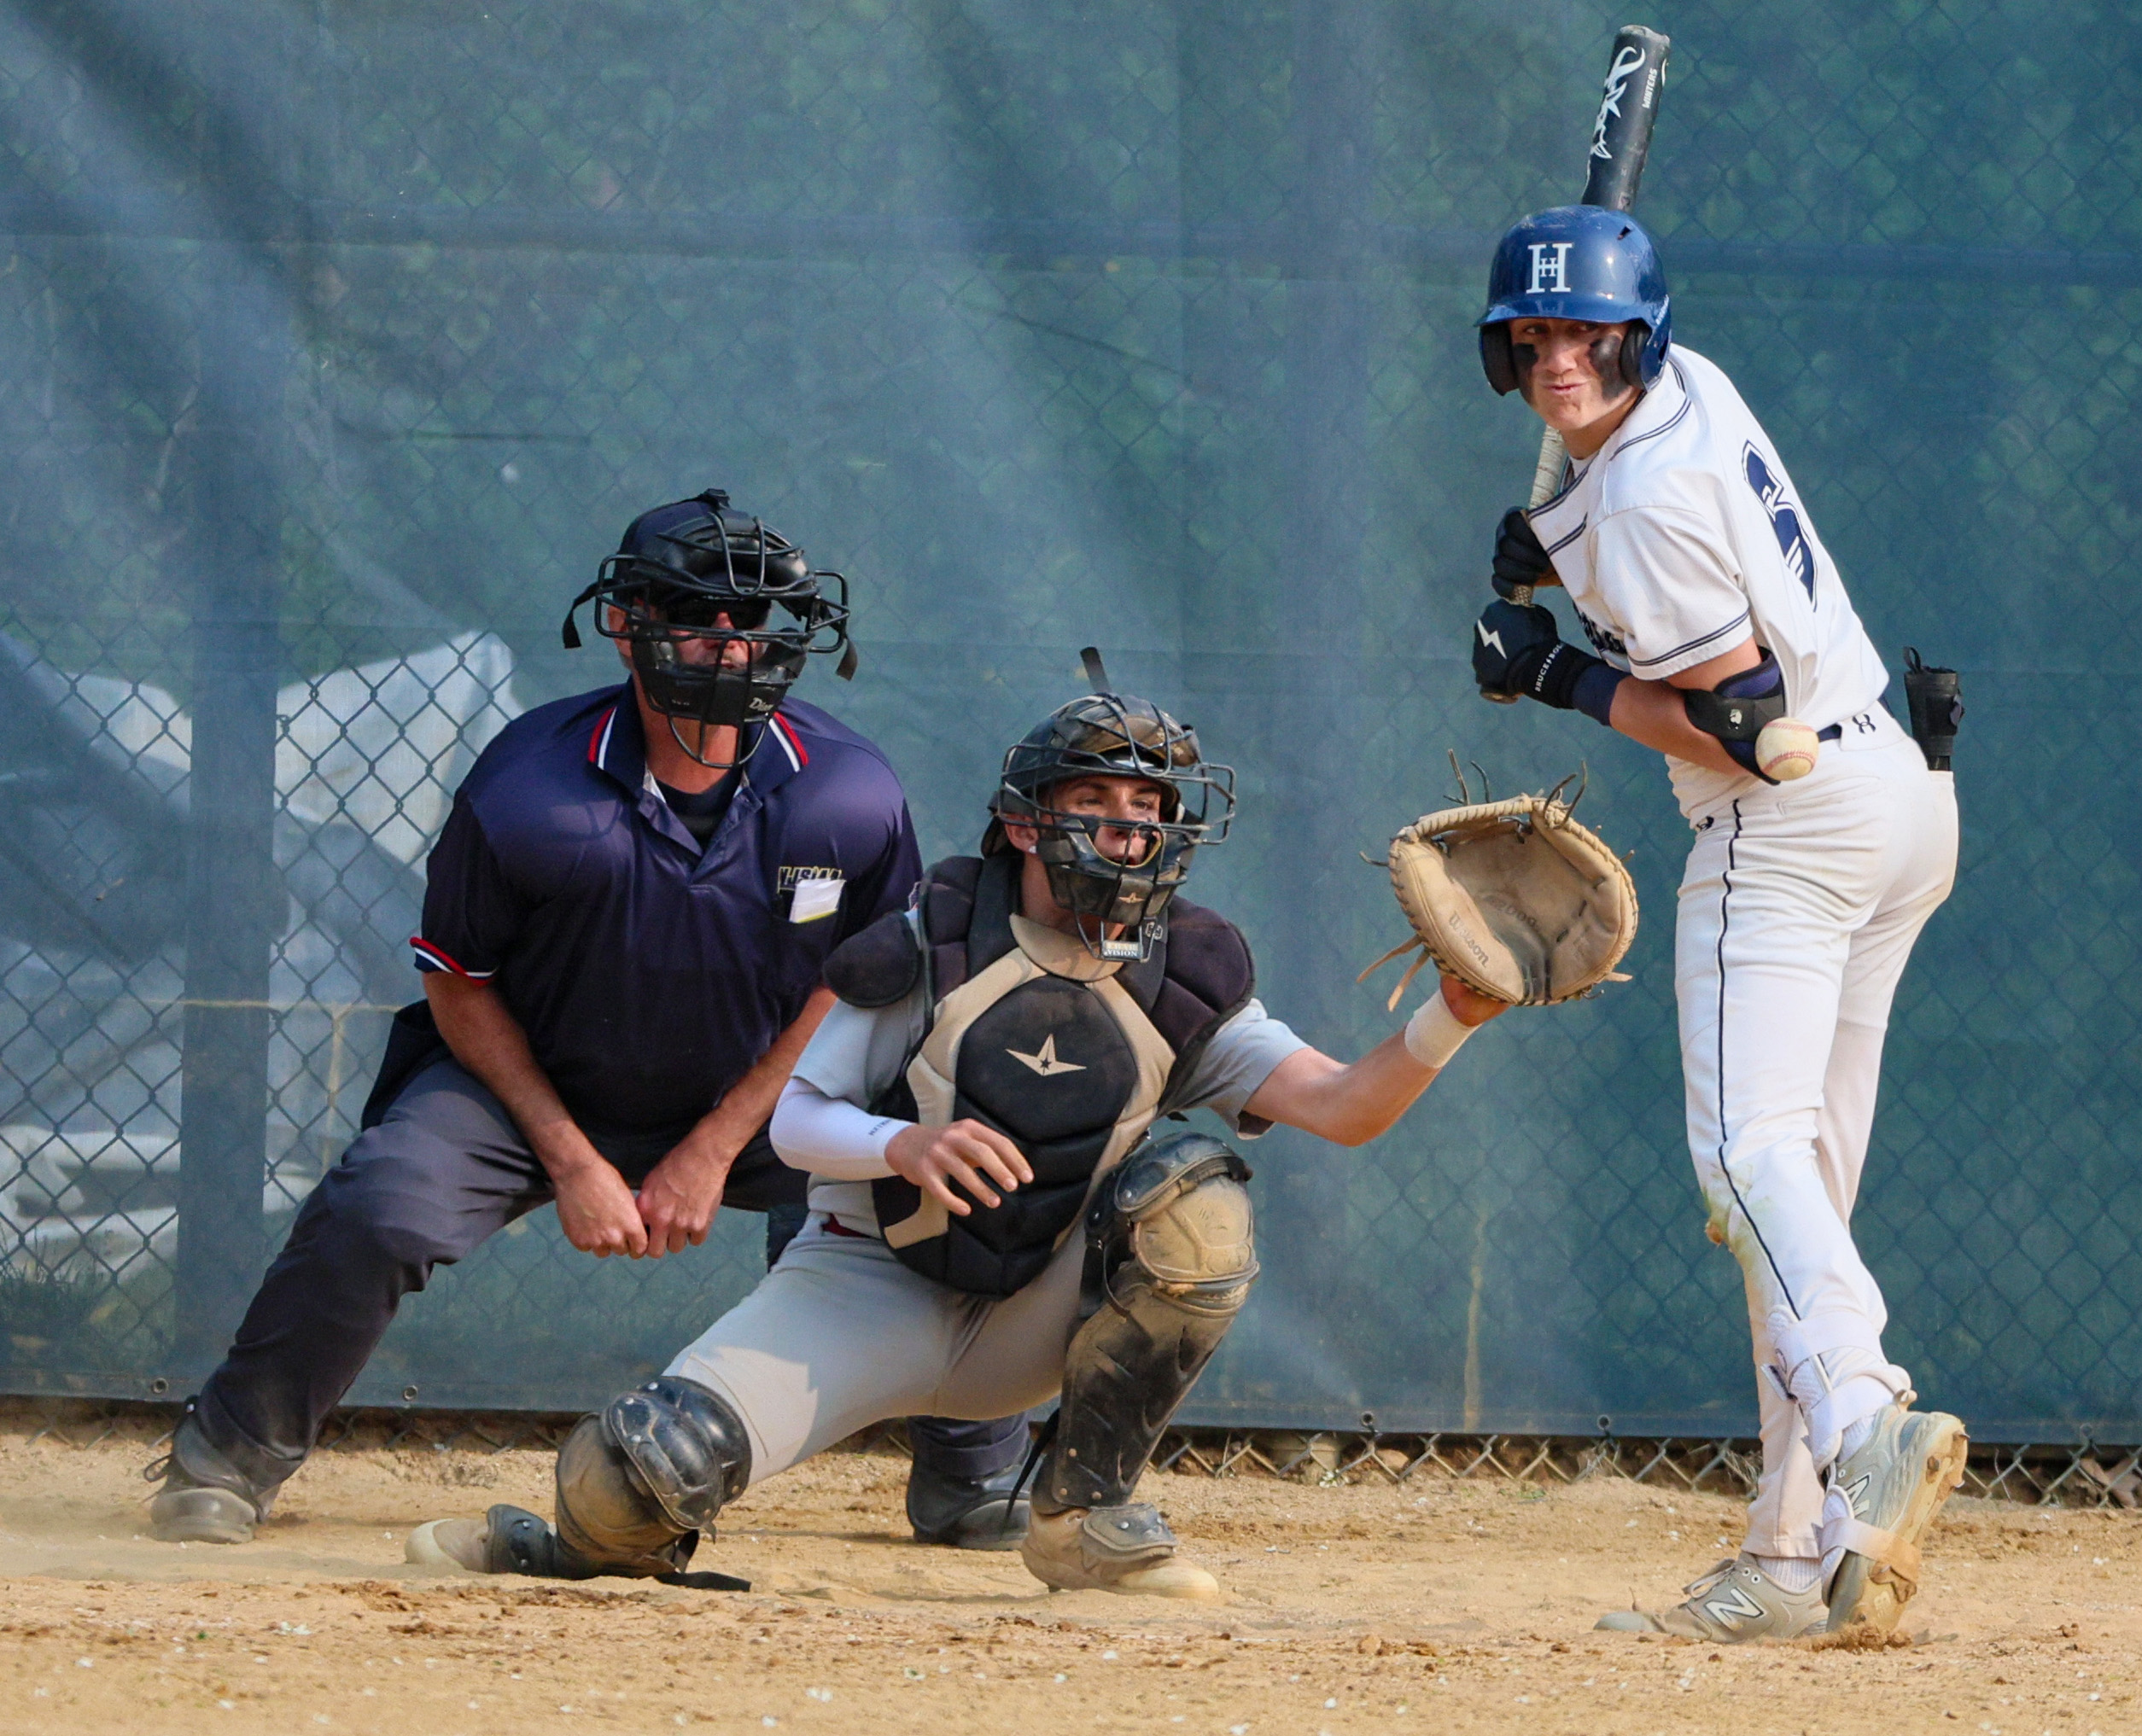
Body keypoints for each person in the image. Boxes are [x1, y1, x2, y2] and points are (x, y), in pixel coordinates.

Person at [407, 661, 1506, 1599]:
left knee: (1196, 1205)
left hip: (1032, 1311)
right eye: (1095, 799)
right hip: (863, 1284)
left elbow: (1343, 1108)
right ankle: (561, 1547)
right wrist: (903, 1146)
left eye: (1148, 806)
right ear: (1024, 821)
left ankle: (1082, 1519)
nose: (1128, 827)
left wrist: (1451, 1016)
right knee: (636, 1476)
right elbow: (795, 1122)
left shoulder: (1185, 971)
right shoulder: (933, 938)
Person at [146, 489, 1028, 1551]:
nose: (727, 640)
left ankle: (976, 1477)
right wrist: (571, 1159)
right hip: (536, 1088)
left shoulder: (846, 791)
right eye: (693, 612)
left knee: (943, 1177)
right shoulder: (529, 784)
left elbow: (851, 987)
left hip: (760, 1100)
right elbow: (459, 983)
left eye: (750, 617)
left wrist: (715, 1145)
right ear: (623, 622)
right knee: (382, 1203)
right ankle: (225, 1456)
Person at [1467, 207, 1965, 1640]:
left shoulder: (1636, 501)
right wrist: (1561, 542)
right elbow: (1642, 506)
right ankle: (1797, 1551)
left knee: (1744, 1161)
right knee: (1796, 1199)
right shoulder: (1689, 393)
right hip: (1902, 802)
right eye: (1533, 338)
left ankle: (1863, 1416)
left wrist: (1552, 672)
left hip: (1786, 823)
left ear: (1640, 336)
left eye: (1586, 335)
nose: (1559, 362)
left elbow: (1742, 722)